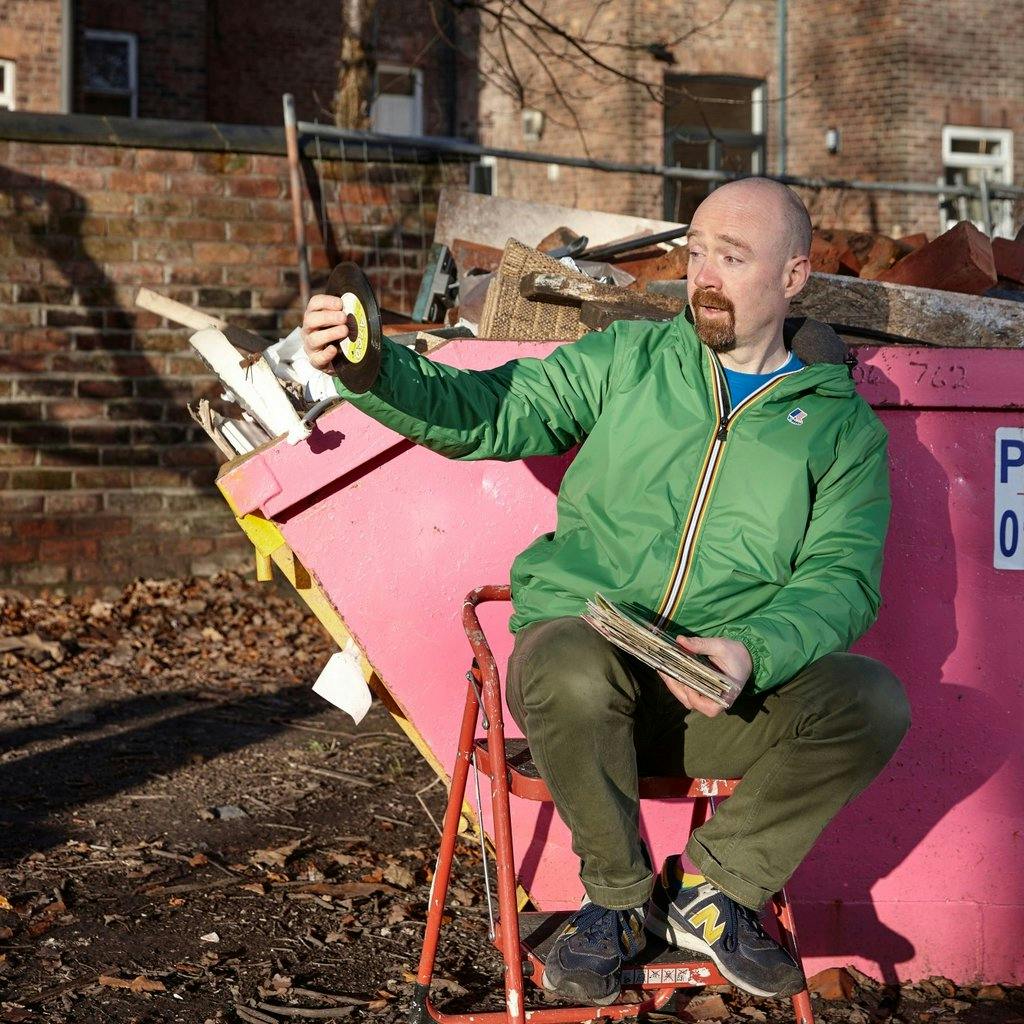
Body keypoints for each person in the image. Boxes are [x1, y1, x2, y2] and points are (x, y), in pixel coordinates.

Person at [301, 178, 910, 1007]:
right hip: (590, 683)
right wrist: (374, 369)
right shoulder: (631, 361)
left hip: (722, 700)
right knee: (567, 659)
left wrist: (747, 652)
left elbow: (841, 580)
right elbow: (493, 409)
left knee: (870, 698)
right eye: (696, 251)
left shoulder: (841, 429)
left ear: (794, 276)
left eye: (732, 258)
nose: (704, 275)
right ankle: (618, 903)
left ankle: (719, 893)